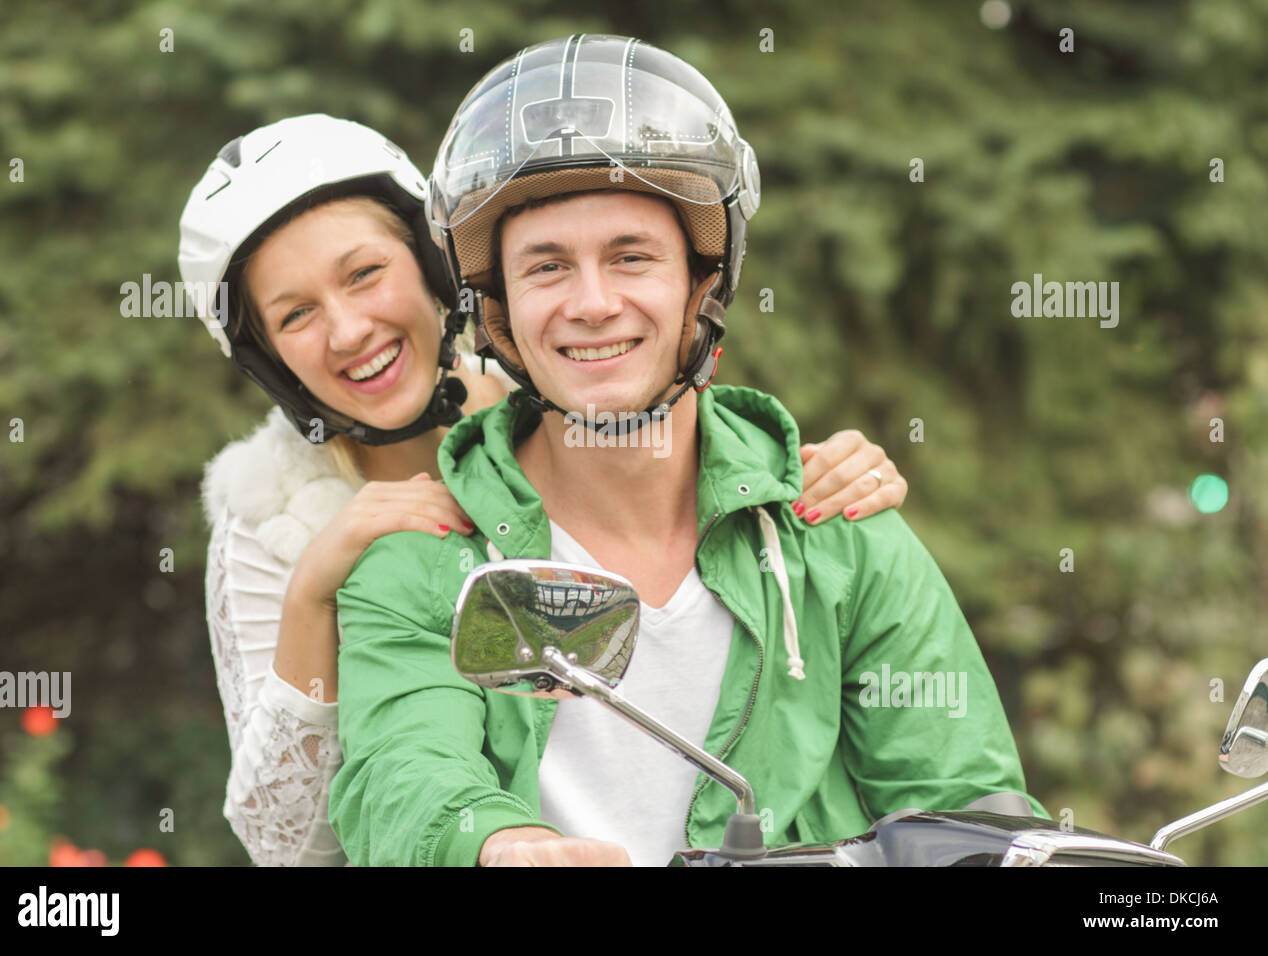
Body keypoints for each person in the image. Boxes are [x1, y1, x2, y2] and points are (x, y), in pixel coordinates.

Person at [329, 35, 1047, 868]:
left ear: (701, 283)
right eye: (547, 267)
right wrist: (503, 846)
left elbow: (965, 803)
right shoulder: (421, 560)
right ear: (498, 314)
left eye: (632, 257)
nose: (593, 304)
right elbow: (401, 775)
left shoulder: (840, 529)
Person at [179, 113, 910, 865]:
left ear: (435, 268)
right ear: (267, 357)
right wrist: (312, 590)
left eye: (364, 274)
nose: (347, 331)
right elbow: (282, 844)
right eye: (295, 314)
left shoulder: (557, 397)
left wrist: (823, 480)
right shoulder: (269, 521)